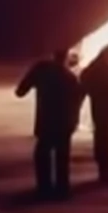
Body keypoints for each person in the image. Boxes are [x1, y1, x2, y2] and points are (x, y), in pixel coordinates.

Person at [15, 49, 84, 198]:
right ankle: (62, 188)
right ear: (67, 59)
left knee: (42, 154)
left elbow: (20, 91)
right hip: (65, 123)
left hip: (46, 121)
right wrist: (74, 121)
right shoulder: (70, 78)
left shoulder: (41, 70)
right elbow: (77, 101)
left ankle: (44, 187)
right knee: (62, 156)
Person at [79, 43, 108, 182]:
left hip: (107, 109)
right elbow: (83, 87)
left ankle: (105, 169)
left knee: (105, 139)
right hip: (102, 109)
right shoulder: (107, 70)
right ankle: (104, 169)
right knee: (103, 138)